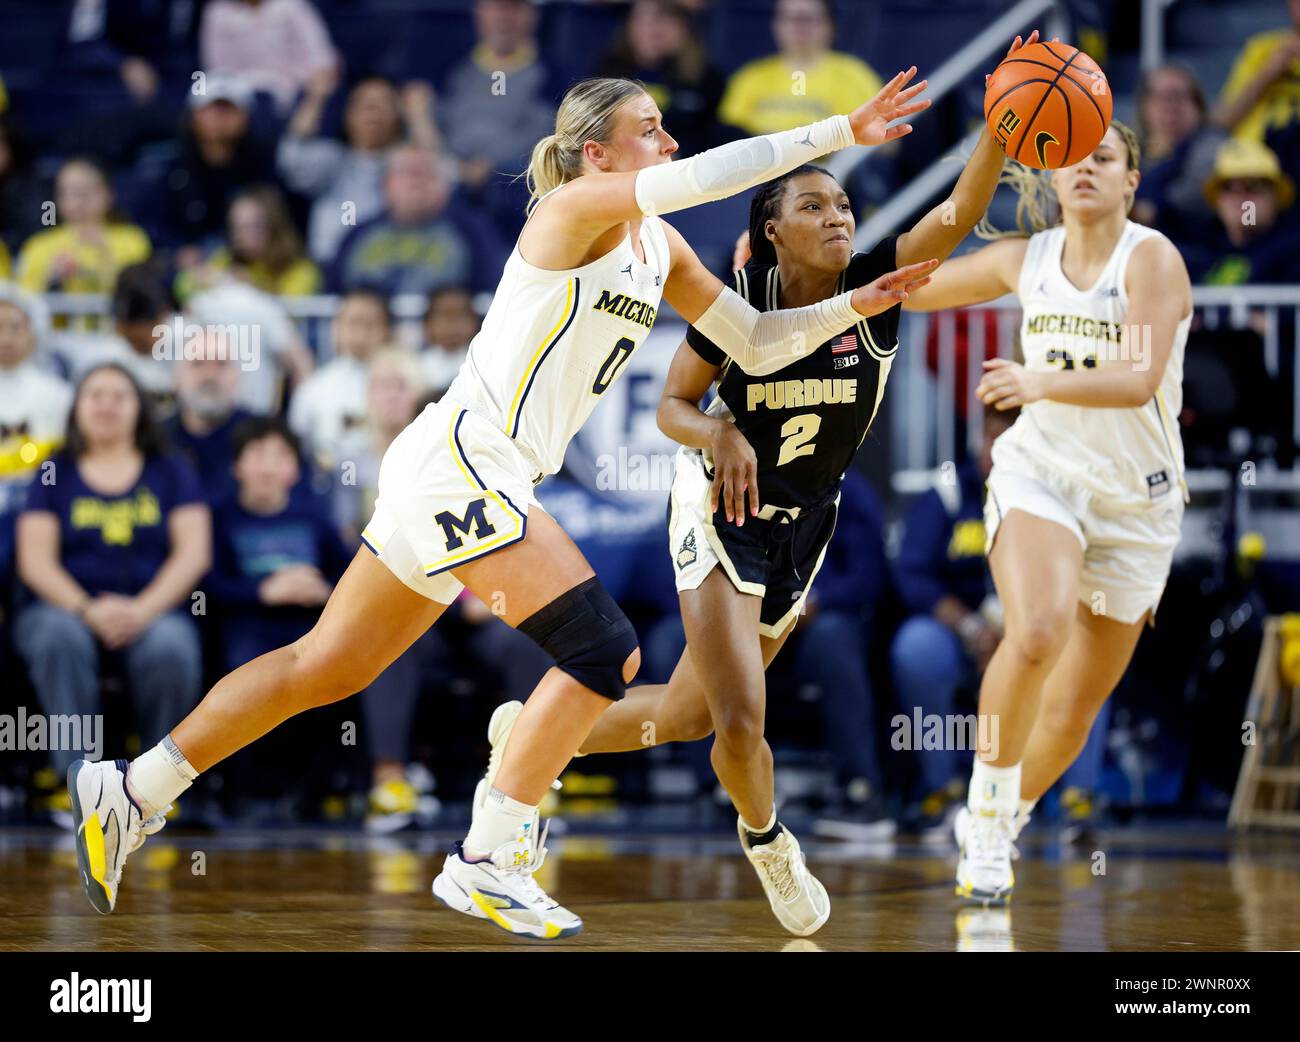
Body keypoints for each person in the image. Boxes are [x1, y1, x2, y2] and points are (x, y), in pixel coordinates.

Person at [68, 72, 934, 938]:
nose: (668, 142)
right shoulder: (569, 213)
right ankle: (489, 854)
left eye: (669, 128)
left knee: (324, 667)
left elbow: (753, 339)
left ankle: (135, 787)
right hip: (464, 460)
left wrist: (855, 306)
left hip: (469, 470)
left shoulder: (659, 250)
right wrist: (839, 129)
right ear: (596, 152)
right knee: (603, 649)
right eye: (650, 128)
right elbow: (709, 177)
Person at [535, 41, 1027, 934]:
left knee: (688, 717)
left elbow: (958, 210)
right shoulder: (739, 303)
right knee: (741, 717)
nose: (837, 216)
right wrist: (718, 431)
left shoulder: (877, 290)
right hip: (717, 511)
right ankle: (768, 841)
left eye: (843, 202)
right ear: (772, 231)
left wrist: (997, 129)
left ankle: (527, 742)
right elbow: (672, 409)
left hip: (807, 525)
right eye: (813, 203)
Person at [899, 121, 1193, 906]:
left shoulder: (1152, 256)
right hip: (1044, 475)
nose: (1089, 169)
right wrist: (808, 265)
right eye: (1073, 158)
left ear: (1131, 180)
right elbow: (908, 282)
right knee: (1035, 631)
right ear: (1052, 178)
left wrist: (1038, 381)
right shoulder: (1025, 259)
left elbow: (1137, 378)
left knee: (1073, 710)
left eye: (1107, 159)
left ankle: (1005, 810)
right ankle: (988, 828)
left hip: (1138, 503)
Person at [15, 363, 210, 813]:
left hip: (152, 608)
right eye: (95, 395)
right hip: (66, 609)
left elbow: (193, 554)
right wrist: (87, 610)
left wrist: (142, 610)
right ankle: (79, 788)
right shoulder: (54, 471)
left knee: (172, 646)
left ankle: (158, 788)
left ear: (138, 408)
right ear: (77, 408)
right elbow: (35, 561)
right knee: (57, 638)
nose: (106, 405)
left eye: (118, 396)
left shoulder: (172, 470)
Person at [891, 408, 1012, 834]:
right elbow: (912, 573)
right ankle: (940, 790)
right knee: (916, 647)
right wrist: (972, 628)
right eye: (992, 441)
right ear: (980, 439)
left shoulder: (1047, 496)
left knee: (1080, 647)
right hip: (958, 636)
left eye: (1011, 444)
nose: (997, 455)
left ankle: (1075, 804)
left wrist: (1013, 633)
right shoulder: (948, 492)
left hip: (1027, 634)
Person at [278, 72, 441, 263]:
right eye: (363, 103)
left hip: (398, 267)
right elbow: (292, 159)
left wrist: (418, 116)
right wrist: (315, 98)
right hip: (334, 268)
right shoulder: (333, 160)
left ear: (399, 114)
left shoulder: (407, 164)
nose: (372, 109)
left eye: (384, 103)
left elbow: (442, 174)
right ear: (347, 115)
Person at [327, 146, 501, 298]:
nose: (415, 180)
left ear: (445, 186)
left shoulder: (472, 232)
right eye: (406, 172)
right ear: (386, 184)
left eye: (426, 172)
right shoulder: (357, 235)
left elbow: (489, 293)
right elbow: (330, 296)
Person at [719, 0, 883, 137]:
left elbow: (885, 141)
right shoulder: (750, 77)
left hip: (833, 170)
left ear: (830, 26)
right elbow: (727, 135)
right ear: (777, 25)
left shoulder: (855, 75)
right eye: (791, 18)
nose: (799, 27)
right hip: (762, 170)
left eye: (808, 19)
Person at [596, 0, 726, 156]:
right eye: (644, 20)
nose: (653, 27)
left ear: (685, 28)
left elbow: (712, 137)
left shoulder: (706, 78)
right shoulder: (608, 73)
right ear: (629, 27)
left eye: (664, 18)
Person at [287, 289, 392, 470]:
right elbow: (298, 443)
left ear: (386, 331)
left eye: (370, 325)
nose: (360, 334)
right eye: (353, 323)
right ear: (336, 328)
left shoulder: (405, 382)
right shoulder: (315, 387)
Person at [15, 158, 150, 298]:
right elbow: (24, 302)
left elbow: (141, 291)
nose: (76, 202)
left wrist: (103, 256)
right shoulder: (38, 246)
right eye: (66, 192)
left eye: (84, 192)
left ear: (108, 195)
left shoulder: (132, 239)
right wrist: (53, 280)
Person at [175, 185, 322, 301]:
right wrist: (203, 277)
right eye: (236, 227)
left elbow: (291, 312)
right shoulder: (227, 259)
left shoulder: (300, 269)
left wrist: (252, 288)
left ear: (275, 226)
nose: (241, 236)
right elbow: (182, 286)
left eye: (252, 226)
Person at [199, 0, 338, 115]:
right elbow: (217, 69)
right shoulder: (218, 13)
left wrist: (312, 104)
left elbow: (321, 58)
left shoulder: (292, 6)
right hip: (241, 100)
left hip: (295, 94)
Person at [418, 286, 481, 396]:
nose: (452, 324)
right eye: (444, 315)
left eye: (460, 315)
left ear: (475, 322)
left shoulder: (482, 365)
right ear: (427, 324)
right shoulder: (415, 365)